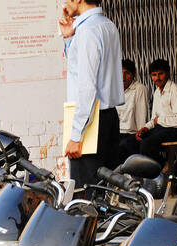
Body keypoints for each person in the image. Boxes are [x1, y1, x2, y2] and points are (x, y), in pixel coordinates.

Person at [59, 0, 124, 189]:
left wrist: (76, 135)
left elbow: (87, 86)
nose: (64, 4)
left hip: (91, 121)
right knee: (108, 191)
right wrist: (69, 38)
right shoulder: (107, 25)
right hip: (108, 117)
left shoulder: (87, 31)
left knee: (87, 193)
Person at [136, 58, 177, 163]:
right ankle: (160, 165)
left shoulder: (176, 90)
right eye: (154, 75)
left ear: (167, 73)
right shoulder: (156, 93)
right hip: (163, 128)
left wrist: (158, 121)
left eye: (160, 74)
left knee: (146, 144)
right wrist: (145, 128)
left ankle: (162, 166)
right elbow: (154, 119)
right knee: (137, 140)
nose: (157, 78)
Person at [115, 58, 149, 160]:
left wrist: (140, 135)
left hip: (131, 134)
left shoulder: (139, 89)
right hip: (117, 134)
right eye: (120, 73)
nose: (123, 77)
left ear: (133, 75)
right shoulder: (115, 90)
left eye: (127, 73)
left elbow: (141, 115)